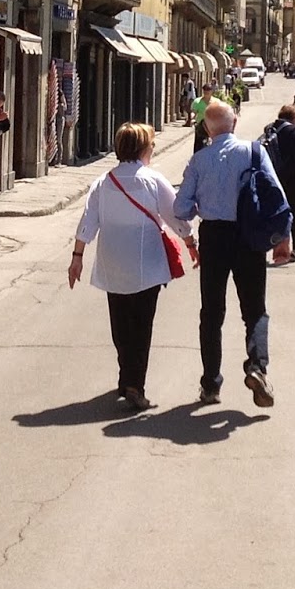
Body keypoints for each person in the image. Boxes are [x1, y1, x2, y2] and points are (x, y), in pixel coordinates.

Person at [68, 122, 195, 411]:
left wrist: (77, 257)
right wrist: (190, 243)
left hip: (112, 262)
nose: (153, 149)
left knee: (120, 324)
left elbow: (88, 222)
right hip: (146, 263)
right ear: (142, 149)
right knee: (141, 325)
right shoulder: (152, 179)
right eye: (151, 145)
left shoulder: (104, 181)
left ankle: (126, 377)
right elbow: (174, 215)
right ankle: (134, 384)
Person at [174, 99, 292, 407]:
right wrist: (284, 237)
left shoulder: (200, 160)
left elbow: (180, 209)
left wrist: (201, 206)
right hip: (250, 237)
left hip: (214, 237)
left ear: (206, 128)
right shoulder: (254, 152)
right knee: (255, 310)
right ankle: (257, 367)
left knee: (211, 314)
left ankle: (211, 385)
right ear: (235, 123)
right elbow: (276, 196)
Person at [264, 104, 295, 262]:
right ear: (294, 117)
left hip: (273, 179)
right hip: (291, 181)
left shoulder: (270, 128)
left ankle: (273, 249)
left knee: (275, 215)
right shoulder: (292, 131)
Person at [192, 82, 216, 152]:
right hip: (201, 125)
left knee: (215, 143)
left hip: (212, 126)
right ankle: (197, 157)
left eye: (208, 92)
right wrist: (192, 118)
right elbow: (194, 112)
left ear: (211, 92)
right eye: (205, 92)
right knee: (198, 144)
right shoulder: (197, 101)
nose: (206, 94)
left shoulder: (216, 102)